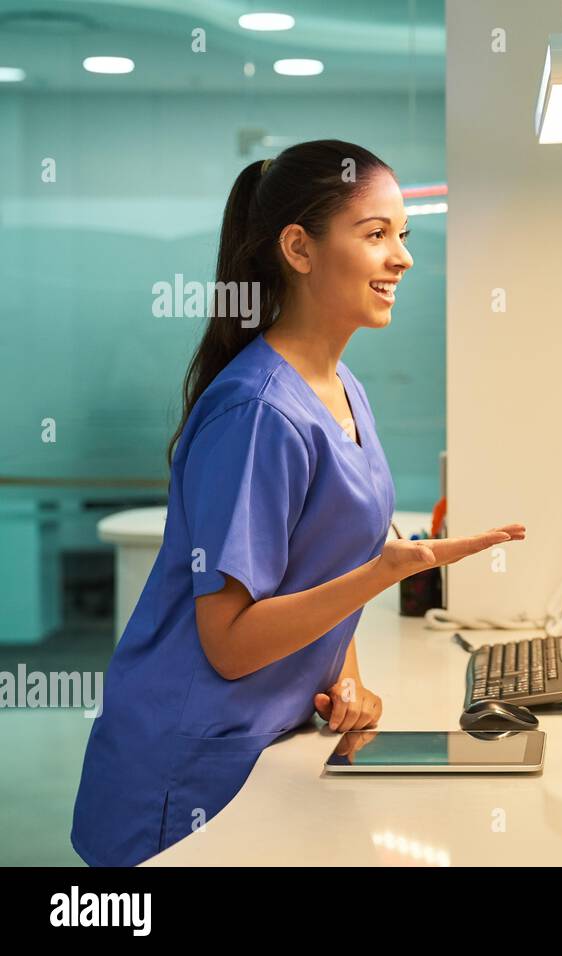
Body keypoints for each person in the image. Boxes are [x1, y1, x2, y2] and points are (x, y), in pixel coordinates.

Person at [71, 140, 524, 866]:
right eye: (375, 235)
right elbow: (228, 639)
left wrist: (345, 677)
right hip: (189, 766)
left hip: (269, 744)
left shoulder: (345, 389)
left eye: (402, 236)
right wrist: (382, 575)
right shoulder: (258, 412)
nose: (402, 258)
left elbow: (316, 567)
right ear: (299, 249)